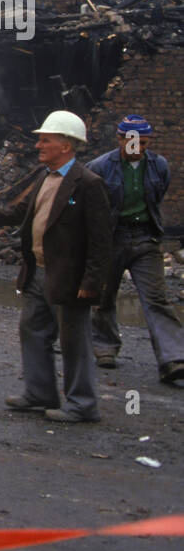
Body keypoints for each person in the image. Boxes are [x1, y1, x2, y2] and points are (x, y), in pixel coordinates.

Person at [0, 110, 112, 422]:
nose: (38, 145)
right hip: (38, 272)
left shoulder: (88, 184)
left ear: (66, 146)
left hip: (68, 278)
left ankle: (82, 404)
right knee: (33, 331)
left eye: (45, 140)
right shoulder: (46, 178)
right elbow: (20, 212)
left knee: (74, 342)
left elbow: (101, 240)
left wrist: (91, 282)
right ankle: (39, 393)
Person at [85, 114, 184, 383]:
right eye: (133, 143)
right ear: (119, 140)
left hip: (144, 238)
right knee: (103, 296)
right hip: (111, 239)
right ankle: (105, 347)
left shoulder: (158, 165)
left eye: (144, 143)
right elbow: (84, 201)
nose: (138, 149)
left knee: (156, 299)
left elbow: (158, 195)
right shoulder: (100, 167)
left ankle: (172, 359)